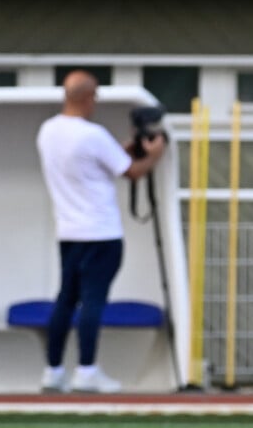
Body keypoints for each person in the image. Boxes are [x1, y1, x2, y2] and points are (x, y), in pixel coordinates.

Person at [36, 70, 166, 393]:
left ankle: (53, 370)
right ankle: (87, 370)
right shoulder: (92, 135)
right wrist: (155, 155)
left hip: (68, 231)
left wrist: (121, 148)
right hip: (100, 231)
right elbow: (132, 171)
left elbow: (96, 161)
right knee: (94, 301)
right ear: (88, 97)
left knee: (65, 300)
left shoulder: (48, 131)